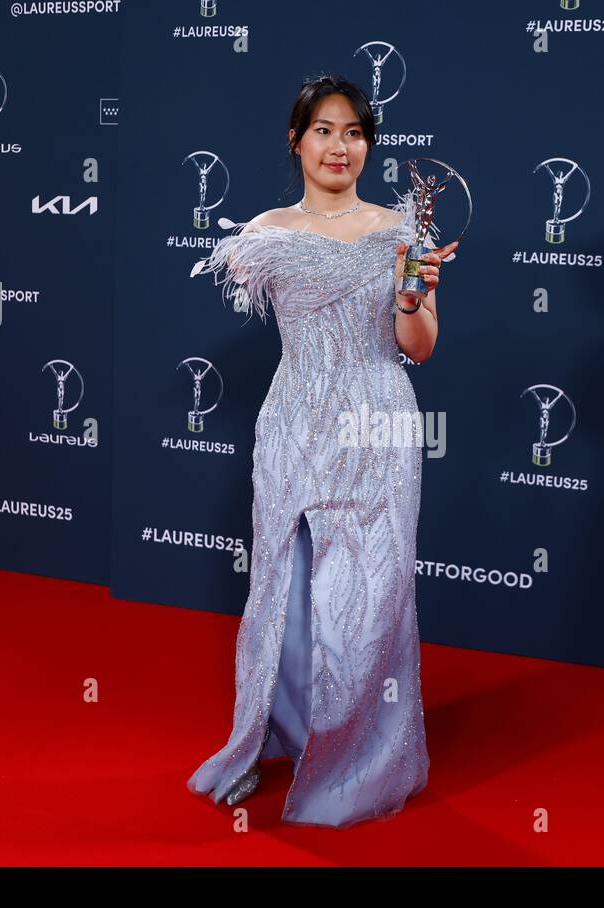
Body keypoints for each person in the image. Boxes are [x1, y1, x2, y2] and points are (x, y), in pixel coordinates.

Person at [186, 74, 459, 828]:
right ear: (296, 140)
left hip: (379, 420)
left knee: (372, 594)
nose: (340, 146)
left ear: (369, 144)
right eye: (324, 130)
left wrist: (409, 299)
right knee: (286, 583)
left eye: (354, 132)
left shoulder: (404, 230)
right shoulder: (264, 235)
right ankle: (269, 737)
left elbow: (419, 347)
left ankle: (359, 756)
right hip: (296, 419)